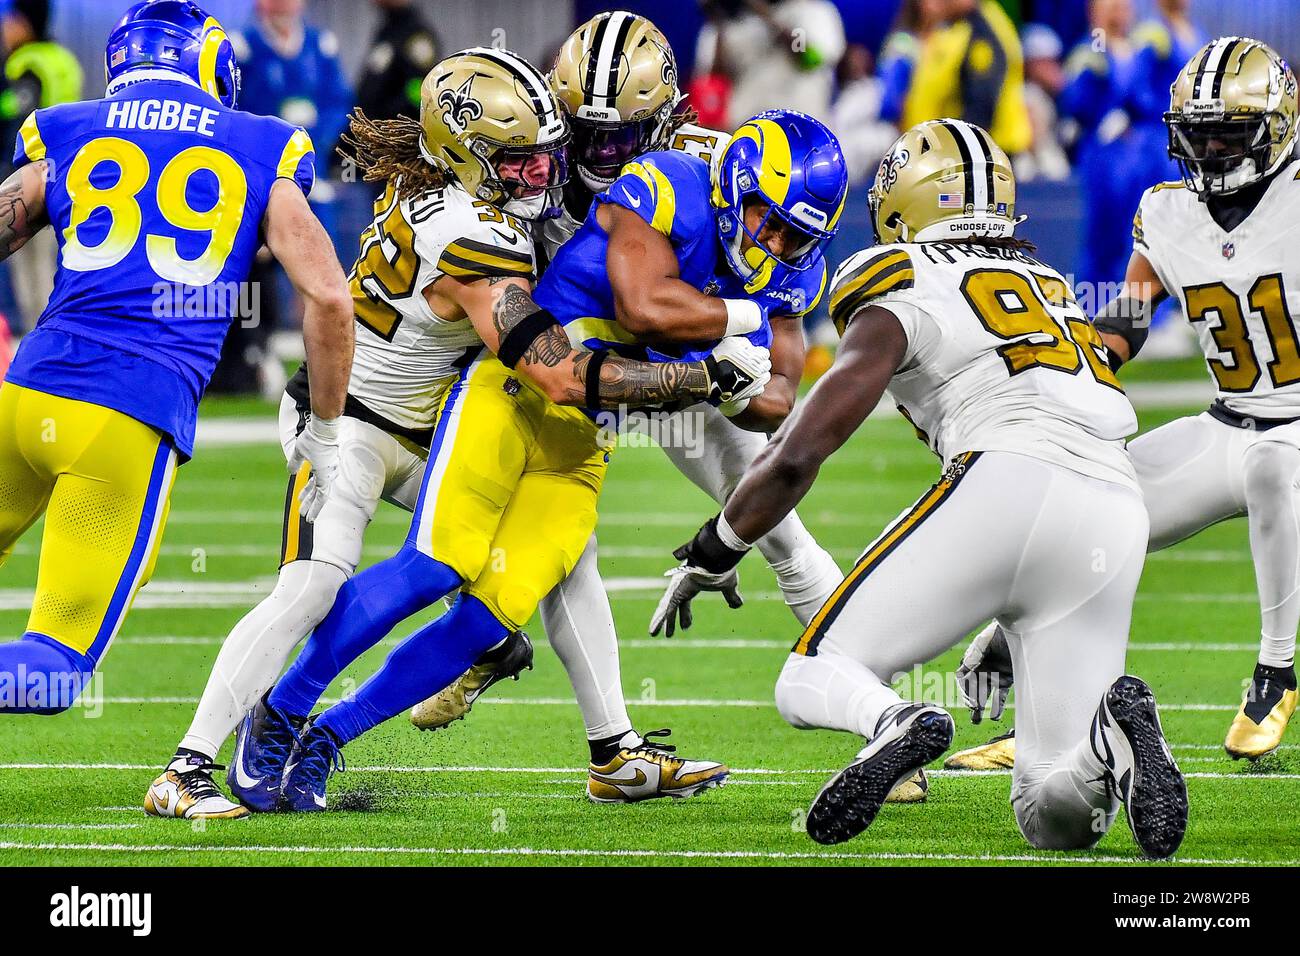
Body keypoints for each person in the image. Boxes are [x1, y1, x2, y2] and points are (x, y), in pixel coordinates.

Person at [219, 49, 778, 814]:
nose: (553, 173)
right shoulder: (508, 226)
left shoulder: (719, 197)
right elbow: (573, 364)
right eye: (526, 161)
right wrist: (709, 367)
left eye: (554, 154)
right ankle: (274, 714)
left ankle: (328, 735)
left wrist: (743, 364)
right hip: (499, 398)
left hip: (584, 444)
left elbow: (776, 385)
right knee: (433, 567)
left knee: (490, 618)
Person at [665, 118, 1189, 858]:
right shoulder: (1050, 286)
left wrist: (718, 546)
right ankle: (1111, 740)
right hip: (1113, 503)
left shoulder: (899, 273)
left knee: (813, 675)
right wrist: (1010, 623)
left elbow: (799, 450)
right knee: (1053, 818)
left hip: (1004, 476)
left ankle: (896, 722)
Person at [410, 12, 867, 804]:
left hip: (690, 367)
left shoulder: (706, 171)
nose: (598, 157)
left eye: (620, 140)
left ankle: (879, 711)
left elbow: (763, 304)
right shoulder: (527, 158)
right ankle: (598, 736)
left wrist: (744, 367)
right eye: (586, 136)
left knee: (775, 524)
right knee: (551, 541)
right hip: (582, 365)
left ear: (661, 122)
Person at [0, 1, 353, 744]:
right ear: (215, 68)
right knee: (52, 667)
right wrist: (325, 428)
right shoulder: (260, 144)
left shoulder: (70, 126)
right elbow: (326, 293)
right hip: (125, 414)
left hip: (26, 392)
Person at [953, 38, 1300, 771]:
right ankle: (1047, 712)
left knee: (1275, 463)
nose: (1208, 148)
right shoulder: (1169, 213)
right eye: (1198, 133)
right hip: (1229, 422)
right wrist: (1063, 369)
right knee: (1083, 507)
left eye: (1227, 134)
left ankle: (1275, 673)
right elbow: (1123, 324)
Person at [213, 0, 354, 398]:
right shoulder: (241, 46)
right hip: (259, 177)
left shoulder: (319, 43)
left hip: (311, 175)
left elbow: (339, 102)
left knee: (324, 271)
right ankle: (256, 352)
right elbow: (231, 108)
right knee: (253, 268)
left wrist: (316, 142)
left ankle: (332, 356)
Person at [0, 0, 82, 332]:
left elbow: (17, 114)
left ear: (27, 23)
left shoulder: (24, 62)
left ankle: (34, 341)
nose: (7, 29)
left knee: (25, 272)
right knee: (50, 268)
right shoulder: (65, 60)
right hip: (67, 176)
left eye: (12, 20)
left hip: (29, 178)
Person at [902, 0, 1031, 157]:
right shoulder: (956, 26)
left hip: (981, 155)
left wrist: (956, 153)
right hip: (940, 150)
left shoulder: (983, 31)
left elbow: (981, 104)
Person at [695, 0, 847, 128]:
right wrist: (718, 18)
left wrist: (766, 15)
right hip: (748, 131)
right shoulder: (732, 24)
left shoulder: (813, 12)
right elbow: (714, 82)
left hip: (800, 131)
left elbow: (810, 59)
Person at [353, 0, 439, 124]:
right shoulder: (386, 30)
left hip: (393, 133)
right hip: (368, 129)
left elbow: (421, 88)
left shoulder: (417, 34)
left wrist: (385, 117)